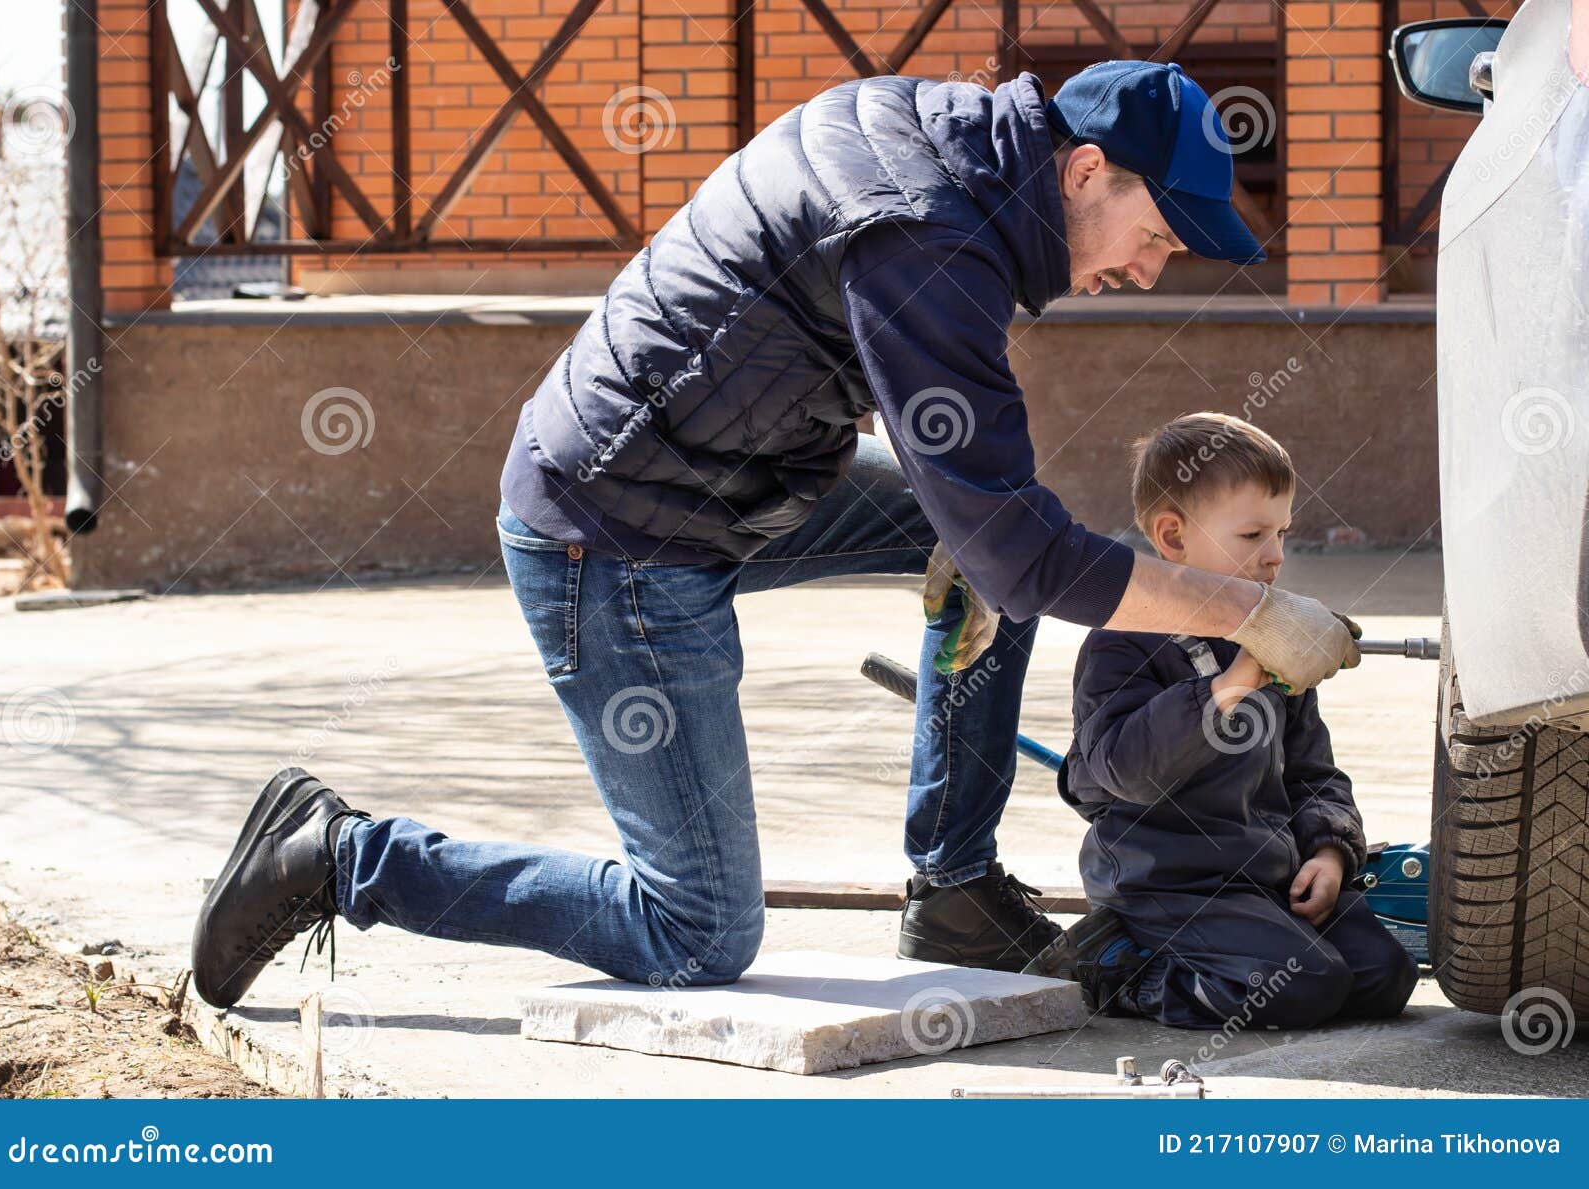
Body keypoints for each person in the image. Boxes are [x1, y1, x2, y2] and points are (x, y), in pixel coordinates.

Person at [190, 63, 1361, 1010]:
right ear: (1088, 169)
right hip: (615, 533)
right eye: (1156, 237)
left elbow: (996, 528)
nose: (1147, 273)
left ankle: (950, 885)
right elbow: (1022, 549)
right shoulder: (930, 233)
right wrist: (1247, 610)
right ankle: (343, 855)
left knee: (976, 548)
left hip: (729, 476)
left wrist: (995, 538)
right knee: (696, 932)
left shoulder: (945, 139)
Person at [1045, 413, 1418, 1029]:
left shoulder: (1275, 646)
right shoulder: (1125, 642)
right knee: (1305, 987)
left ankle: (1257, 954)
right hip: (1169, 884)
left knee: (1385, 975)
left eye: (1281, 534)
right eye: (1252, 536)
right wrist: (1228, 685)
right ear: (1173, 536)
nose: (1275, 558)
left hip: (1263, 875)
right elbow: (1117, 767)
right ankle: (1118, 965)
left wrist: (1329, 851)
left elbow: (1313, 771)